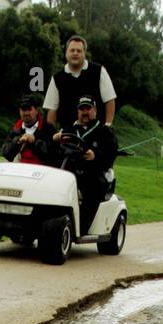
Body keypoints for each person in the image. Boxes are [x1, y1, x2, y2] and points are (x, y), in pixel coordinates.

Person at [54, 95, 117, 232]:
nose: (85, 112)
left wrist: (95, 155)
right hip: (69, 173)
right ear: (78, 112)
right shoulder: (68, 129)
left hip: (93, 175)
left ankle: (81, 228)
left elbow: (111, 154)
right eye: (82, 109)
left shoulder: (104, 131)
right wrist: (56, 139)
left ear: (94, 110)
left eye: (88, 108)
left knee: (91, 190)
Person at [43, 35, 116, 132]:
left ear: (84, 53)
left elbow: (110, 100)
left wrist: (108, 125)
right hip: (68, 135)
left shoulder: (99, 71)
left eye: (79, 51)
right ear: (66, 53)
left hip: (97, 134)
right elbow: (52, 109)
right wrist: (51, 134)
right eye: (72, 50)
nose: (75, 53)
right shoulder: (57, 78)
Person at [1, 93, 56, 165]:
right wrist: (18, 141)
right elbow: (6, 153)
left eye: (29, 109)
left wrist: (34, 142)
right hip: (21, 170)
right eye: (23, 109)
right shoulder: (16, 128)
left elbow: (53, 156)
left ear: (36, 110)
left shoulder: (48, 128)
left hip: (43, 171)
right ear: (19, 111)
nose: (26, 113)